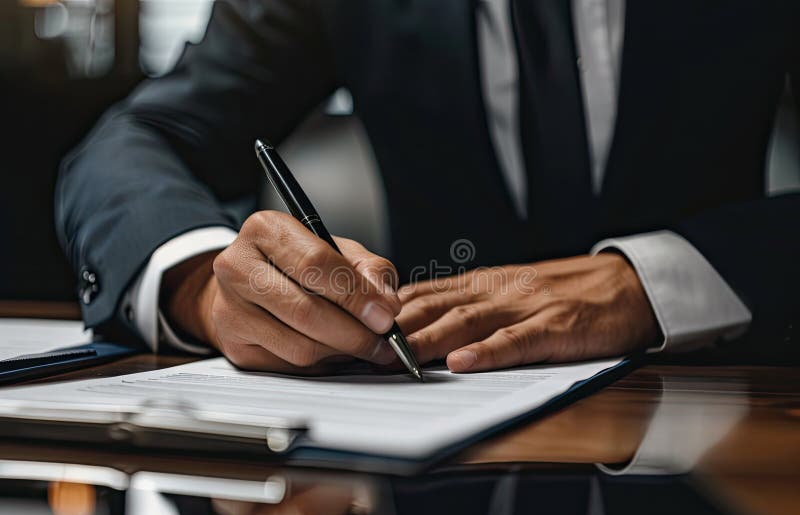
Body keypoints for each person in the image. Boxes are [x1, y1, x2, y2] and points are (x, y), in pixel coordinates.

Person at [56, 0, 800, 374]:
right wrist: (203, 288)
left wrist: (655, 280)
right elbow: (137, 141)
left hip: (730, 421)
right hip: (433, 432)